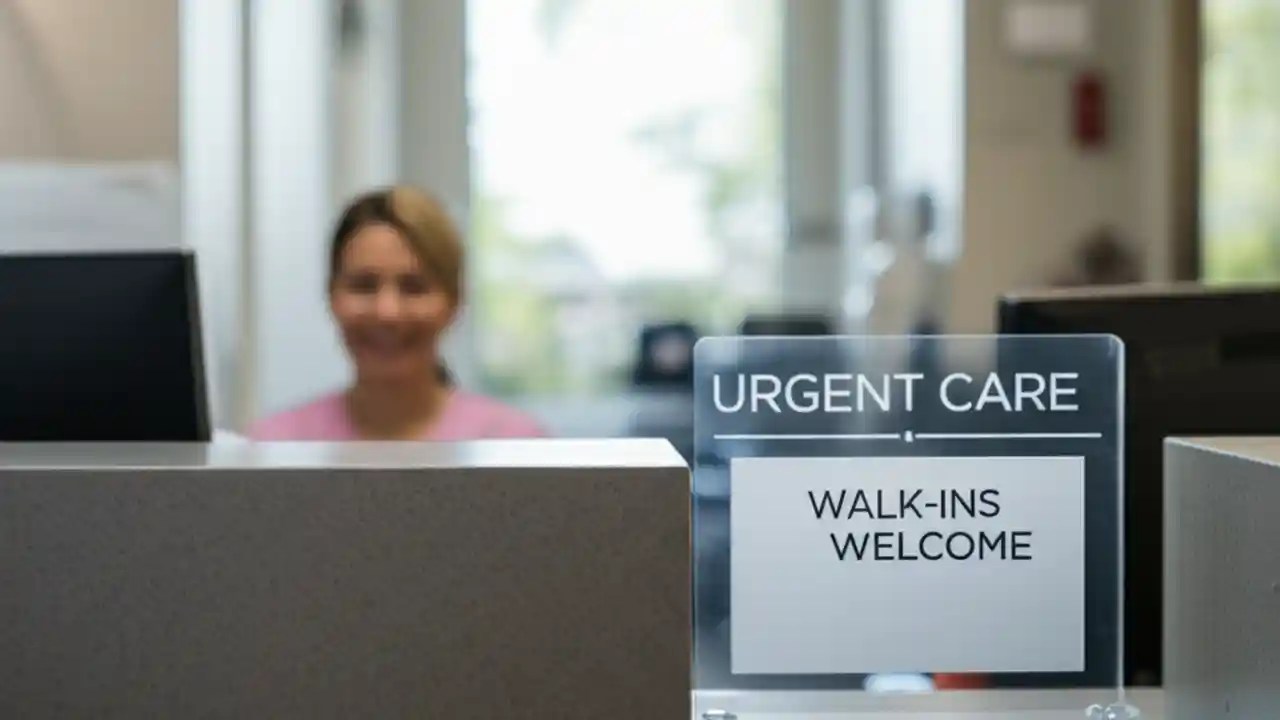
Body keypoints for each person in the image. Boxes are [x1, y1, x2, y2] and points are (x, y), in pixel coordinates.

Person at [249, 186, 544, 441]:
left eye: (413, 287)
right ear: (331, 295)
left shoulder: (514, 445)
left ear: (455, 301)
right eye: (363, 286)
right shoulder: (274, 447)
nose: (387, 312)